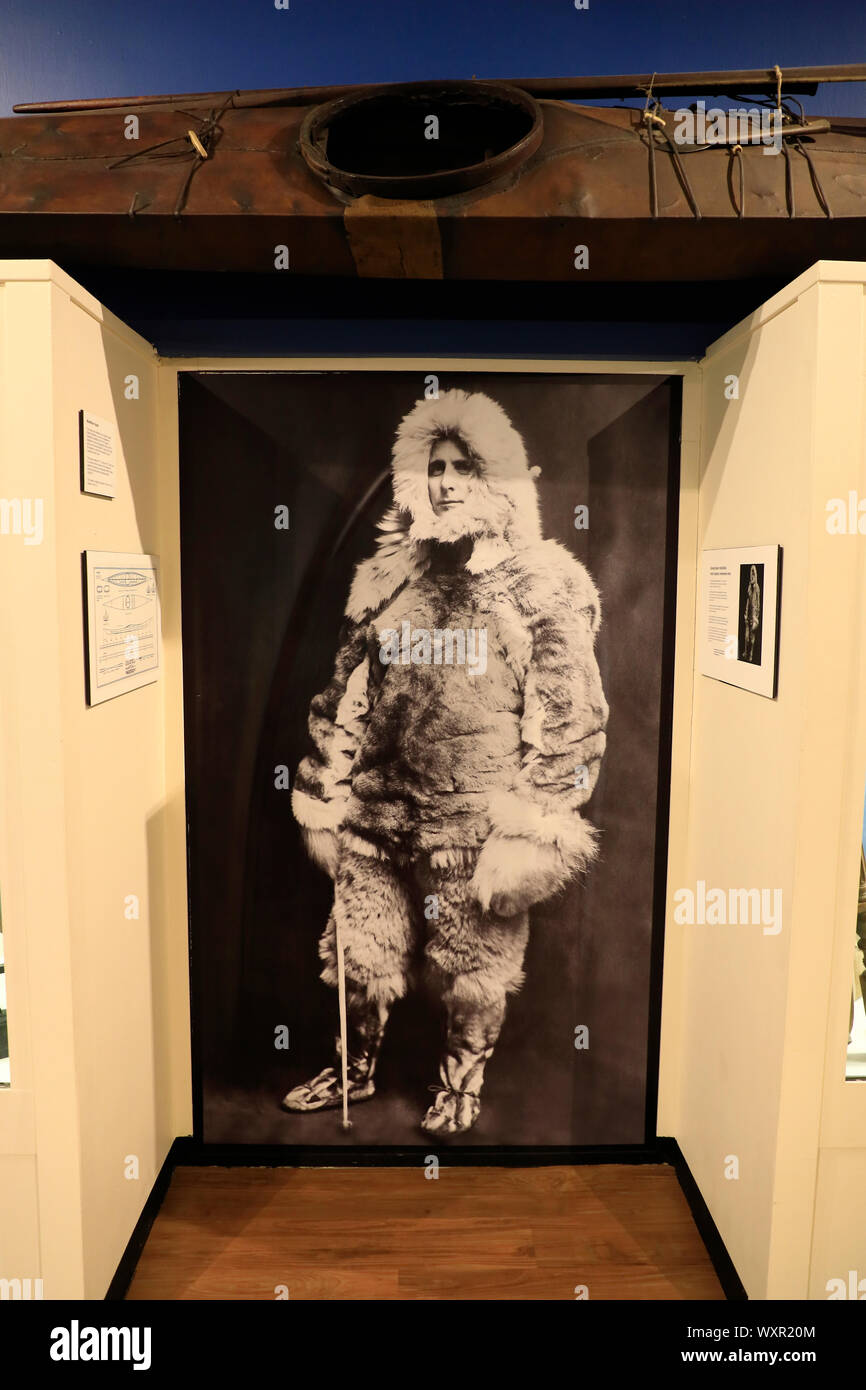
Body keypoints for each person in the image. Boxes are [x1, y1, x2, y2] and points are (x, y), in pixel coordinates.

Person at [283, 388, 609, 1135]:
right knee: (357, 960)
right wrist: (325, 792)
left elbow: (569, 721)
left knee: (472, 973)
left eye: (464, 466)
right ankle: (352, 1071)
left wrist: (531, 829)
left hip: (471, 825)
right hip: (377, 813)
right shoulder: (388, 580)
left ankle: (461, 1087)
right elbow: (346, 699)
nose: (448, 482)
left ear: (496, 475)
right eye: (435, 466)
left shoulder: (543, 587)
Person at [744, 564, 761, 662]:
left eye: (753, 575)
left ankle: (751, 654)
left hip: (754, 616)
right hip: (748, 615)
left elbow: (758, 604)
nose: (752, 577)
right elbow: (747, 601)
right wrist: (746, 613)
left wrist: (756, 617)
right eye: (751, 574)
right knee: (746, 637)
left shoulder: (757, 588)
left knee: (752, 638)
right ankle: (746, 652)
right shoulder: (749, 588)